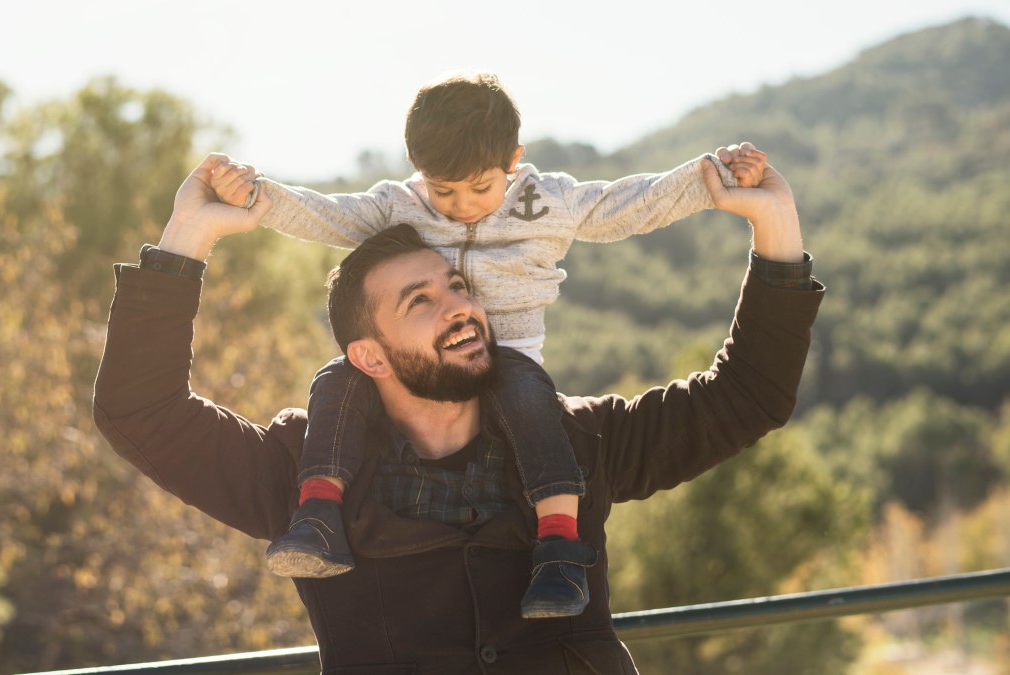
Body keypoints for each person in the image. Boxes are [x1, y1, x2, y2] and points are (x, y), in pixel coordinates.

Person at [92, 144, 822, 673]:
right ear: (369, 355)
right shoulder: (301, 468)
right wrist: (189, 235)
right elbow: (141, 410)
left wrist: (774, 222)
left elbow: (748, 393)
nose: (461, 307)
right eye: (422, 301)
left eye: (454, 285)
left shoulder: (574, 440)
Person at [203, 72, 767, 619]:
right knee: (335, 381)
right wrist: (257, 195)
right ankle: (320, 514)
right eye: (442, 190)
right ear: (418, 172)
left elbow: (628, 203)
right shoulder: (400, 205)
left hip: (509, 356)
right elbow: (328, 213)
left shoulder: (550, 201)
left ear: (514, 160)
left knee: (533, 409)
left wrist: (708, 178)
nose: (461, 205)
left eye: (480, 187)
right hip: (426, 364)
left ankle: (560, 547)